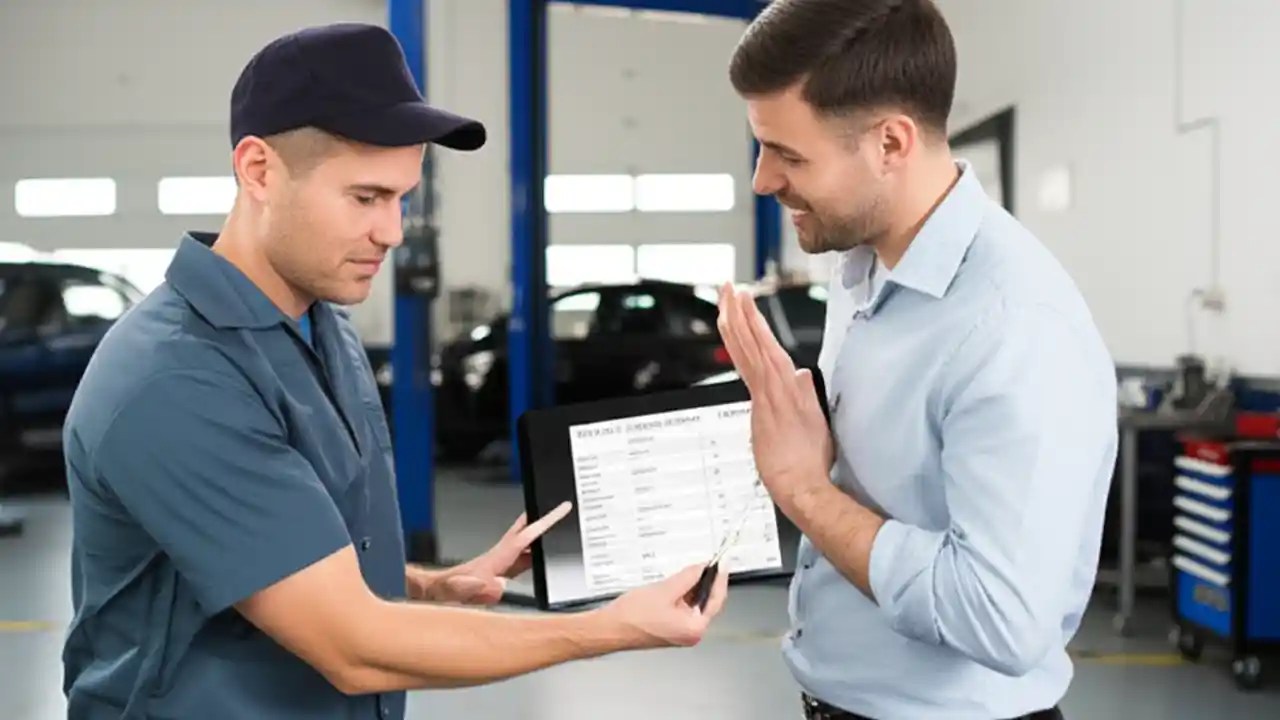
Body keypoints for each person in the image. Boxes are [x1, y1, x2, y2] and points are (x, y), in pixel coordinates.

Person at [60, 23, 728, 720]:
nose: (394, 232)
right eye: (366, 197)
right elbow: (355, 646)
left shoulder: (321, 328)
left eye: (403, 198)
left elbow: (275, 553)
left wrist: (428, 587)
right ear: (258, 170)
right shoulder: (174, 379)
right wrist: (606, 629)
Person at [716, 1, 1117, 718]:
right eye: (761, 147)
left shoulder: (1015, 326)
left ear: (891, 144)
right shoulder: (863, 268)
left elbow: (1000, 617)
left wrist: (804, 491)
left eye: (789, 154)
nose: (763, 181)